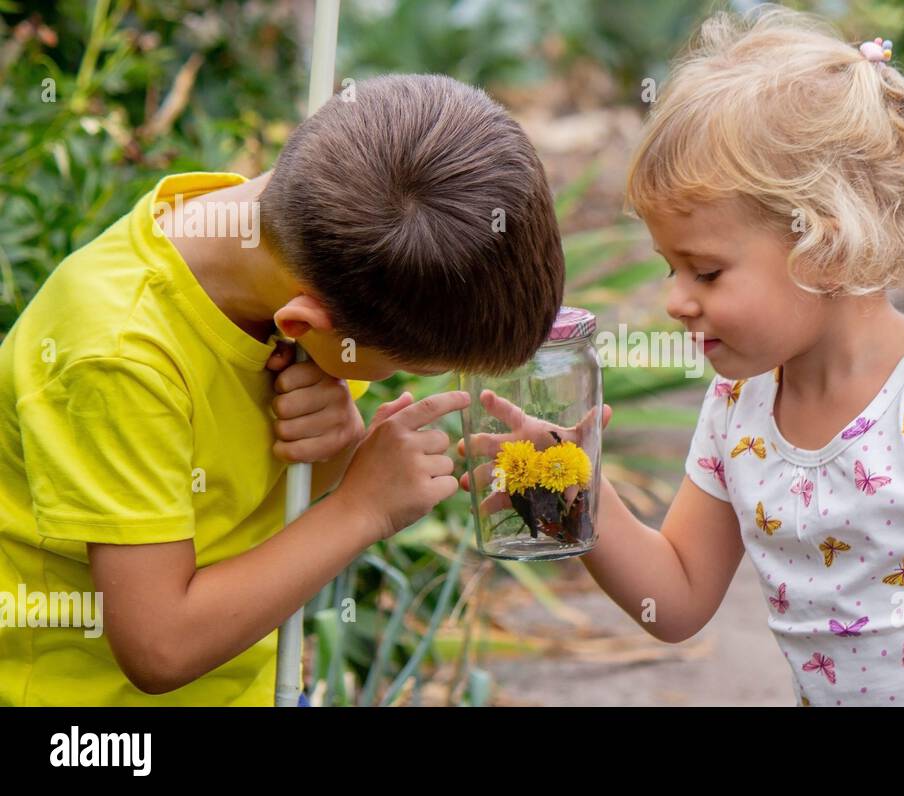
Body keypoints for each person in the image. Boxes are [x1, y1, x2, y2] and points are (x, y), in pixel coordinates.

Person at [462, 7, 904, 706]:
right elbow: (675, 598)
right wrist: (577, 492)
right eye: (670, 268)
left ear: (825, 244)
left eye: (705, 272)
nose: (675, 300)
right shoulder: (739, 408)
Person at [0, 73, 565, 705]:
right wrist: (360, 510)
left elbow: (223, 511)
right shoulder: (118, 357)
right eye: (412, 366)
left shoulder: (276, 251)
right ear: (307, 322)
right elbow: (160, 647)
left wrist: (333, 454)